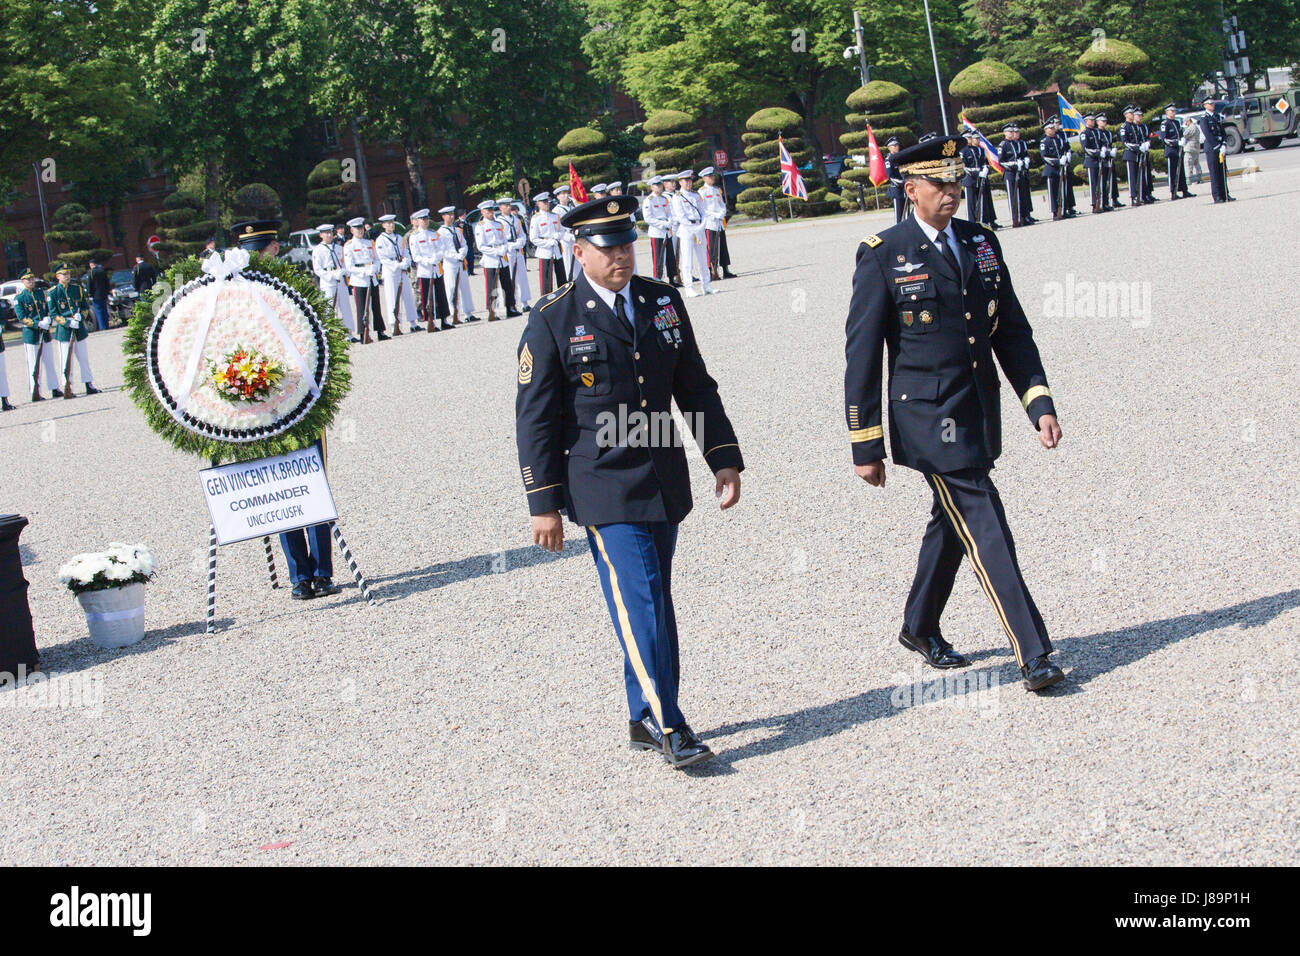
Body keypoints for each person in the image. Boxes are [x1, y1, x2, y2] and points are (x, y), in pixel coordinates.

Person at [515, 195, 744, 767]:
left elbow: (694, 384)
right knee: (642, 600)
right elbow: (535, 417)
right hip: (601, 483)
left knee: (652, 600)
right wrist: (541, 502)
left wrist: (723, 456)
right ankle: (671, 724)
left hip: (662, 475)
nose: (621, 256)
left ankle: (641, 712)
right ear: (578, 252)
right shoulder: (553, 317)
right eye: (607, 247)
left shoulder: (661, 301)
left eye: (626, 244)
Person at [843, 133, 1065, 692]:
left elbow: (1011, 331)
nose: (952, 192)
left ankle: (918, 625)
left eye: (956, 181)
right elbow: (862, 353)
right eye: (939, 183)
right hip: (926, 415)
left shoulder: (980, 242)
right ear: (910, 188)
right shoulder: (882, 253)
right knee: (985, 519)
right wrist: (864, 444)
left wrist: (1037, 401)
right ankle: (1033, 652)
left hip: (976, 407)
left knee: (954, 521)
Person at [46, 264, 99, 398]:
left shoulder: (77, 289)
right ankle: (67, 386)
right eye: (64, 274)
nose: (67, 276)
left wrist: (81, 316)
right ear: (58, 276)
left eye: (68, 273)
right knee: (66, 360)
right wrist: (68, 322)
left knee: (84, 358)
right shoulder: (53, 292)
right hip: (64, 331)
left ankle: (88, 384)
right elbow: (53, 314)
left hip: (79, 330)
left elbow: (85, 307)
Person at [14, 269, 59, 401]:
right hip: (31, 335)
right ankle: (35, 390)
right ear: (22, 281)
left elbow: (48, 309)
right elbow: (22, 318)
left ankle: (54, 388)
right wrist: (37, 324)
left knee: (49, 362)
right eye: (28, 279)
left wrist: (48, 319)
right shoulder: (20, 298)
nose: (31, 281)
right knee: (33, 364)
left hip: (44, 334)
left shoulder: (41, 294)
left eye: (32, 278)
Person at [311, 224, 359, 343]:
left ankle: (349, 333)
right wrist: (331, 275)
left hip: (340, 280)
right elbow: (317, 269)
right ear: (321, 235)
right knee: (330, 308)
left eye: (330, 232)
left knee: (346, 307)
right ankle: (332, 335)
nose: (329, 235)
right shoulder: (318, 250)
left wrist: (343, 271)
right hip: (328, 281)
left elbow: (345, 263)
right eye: (326, 233)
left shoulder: (338, 247)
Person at [670, 170, 714, 297]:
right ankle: (689, 287)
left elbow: (703, 211)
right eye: (685, 180)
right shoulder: (677, 197)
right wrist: (693, 228)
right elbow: (680, 216)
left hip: (698, 227)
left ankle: (706, 285)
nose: (688, 183)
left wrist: (702, 225)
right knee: (687, 260)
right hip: (686, 230)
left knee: (703, 258)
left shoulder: (696, 196)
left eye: (690, 180)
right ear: (680, 182)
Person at [473, 200, 519, 321]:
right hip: (491, 259)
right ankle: (493, 310)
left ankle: (510, 307)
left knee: (507, 285)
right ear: (482, 212)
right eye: (488, 211)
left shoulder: (499, 224)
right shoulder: (480, 226)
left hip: (502, 259)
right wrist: (495, 251)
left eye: (492, 210)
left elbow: (504, 240)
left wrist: (503, 248)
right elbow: (481, 246)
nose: (491, 213)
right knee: (492, 287)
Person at [343, 217, 386, 342]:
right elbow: (349, 266)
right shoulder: (349, 246)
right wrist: (364, 271)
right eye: (357, 229)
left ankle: (380, 331)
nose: (360, 231)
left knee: (376, 306)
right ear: (351, 230)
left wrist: (375, 268)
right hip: (359, 280)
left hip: (372, 277)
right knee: (362, 308)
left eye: (361, 228)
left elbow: (377, 259)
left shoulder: (369, 243)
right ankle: (363, 333)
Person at [407, 209, 450, 332]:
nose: (425, 222)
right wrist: (428, 260)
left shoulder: (433, 234)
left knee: (441, 295)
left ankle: (444, 320)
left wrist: (436, 258)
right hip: (425, 271)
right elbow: (415, 256)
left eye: (426, 219)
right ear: (417, 221)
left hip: (436, 269)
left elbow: (441, 248)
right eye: (422, 219)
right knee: (428, 297)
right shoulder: (414, 236)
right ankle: (432, 321)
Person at [375, 214, 417, 334]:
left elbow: (406, 252)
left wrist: (406, 262)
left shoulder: (399, 238)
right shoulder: (380, 240)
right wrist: (396, 266)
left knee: (408, 296)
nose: (391, 225)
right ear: (383, 225)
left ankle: (413, 322)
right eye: (388, 223)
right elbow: (383, 258)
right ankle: (394, 324)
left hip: (402, 269)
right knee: (392, 297)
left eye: (392, 222)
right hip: (390, 271)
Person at [437, 206, 475, 323]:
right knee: (452, 288)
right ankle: (454, 314)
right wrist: (455, 256)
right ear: (443, 217)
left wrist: (463, 252)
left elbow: (464, 243)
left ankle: (468, 313)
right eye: (449, 215)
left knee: (465, 287)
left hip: (460, 262)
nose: (452, 217)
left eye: (452, 214)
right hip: (450, 264)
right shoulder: (440, 233)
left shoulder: (457, 230)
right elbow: (442, 250)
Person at [1197, 95, 1234, 203]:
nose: (1212, 105)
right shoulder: (1204, 118)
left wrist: (1223, 144)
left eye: (1213, 103)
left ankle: (1225, 194)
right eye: (1210, 104)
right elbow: (1207, 133)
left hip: (1220, 147)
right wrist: (1217, 146)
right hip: (1212, 148)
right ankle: (1217, 196)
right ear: (1205, 105)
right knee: (1214, 173)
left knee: (1222, 171)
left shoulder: (1217, 116)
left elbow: (1222, 131)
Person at [529, 192, 566, 296]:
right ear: (538, 204)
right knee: (546, 280)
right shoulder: (536, 218)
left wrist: (557, 236)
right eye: (543, 202)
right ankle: (546, 301)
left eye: (547, 202)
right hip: (545, 251)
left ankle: (563, 299)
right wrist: (547, 242)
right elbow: (533, 238)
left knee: (562, 278)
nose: (546, 204)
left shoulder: (555, 216)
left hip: (557, 250)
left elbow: (562, 231)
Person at [498, 198, 532, 311]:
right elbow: (500, 239)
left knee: (522, 277)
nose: (508, 207)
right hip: (508, 252)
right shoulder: (499, 222)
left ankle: (524, 302)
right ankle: (513, 303)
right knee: (511, 277)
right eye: (505, 205)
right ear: (500, 208)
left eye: (509, 205)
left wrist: (520, 242)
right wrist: (509, 245)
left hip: (518, 250)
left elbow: (522, 234)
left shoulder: (516, 219)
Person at [1160, 104, 1193, 199]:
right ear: (1167, 112)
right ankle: (1173, 191)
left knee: (1181, 171)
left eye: (1174, 111)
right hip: (1171, 150)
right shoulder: (1164, 123)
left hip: (1179, 150)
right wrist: (1176, 142)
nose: (1173, 113)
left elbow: (1180, 134)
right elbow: (1164, 139)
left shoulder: (1176, 122)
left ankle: (1184, 190)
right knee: (1173, 172)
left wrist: (1183, 140)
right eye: (1171, 111)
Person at [1039, 117, 1067, 220]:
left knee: (1061, 190)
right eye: (1050, 128)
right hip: (1051, 169)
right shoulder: (1044, 141)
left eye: (1053, 127)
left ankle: (1063, 210)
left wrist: (1065, 156)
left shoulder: (1058, 139)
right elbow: (1045, 157)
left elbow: (1063, 150)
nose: (1053, 129)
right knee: (1052, 192)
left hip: (1060, 168)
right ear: (1046, 130)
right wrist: (1058, 161)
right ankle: (1055, 212)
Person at [997, 124, 1024, 227]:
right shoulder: (1003, 145)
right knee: (1012, 197)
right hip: (1009, 173)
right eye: (1010, 132)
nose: (1012, 133)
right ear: (1005, 133)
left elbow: (1019, 155)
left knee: (1019, 195)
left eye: (1013, 132)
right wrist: (1013, 164)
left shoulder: (1015, 144)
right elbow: (1001, 161)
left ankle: (1020, 217)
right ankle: (1014, 219)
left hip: (1017, 172)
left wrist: (1021, 161)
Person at [552, 184, 578, 282]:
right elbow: (557, 230)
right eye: (563, 194)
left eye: (567, 193)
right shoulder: (556, 211)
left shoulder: (572, 208)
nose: (566, 195)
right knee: (568, 266)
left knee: (578, 265)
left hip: (575, 238)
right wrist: (570, 237)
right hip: (566, 241)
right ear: (558, 197)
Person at [1081, 114, 1105, 213]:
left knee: (1100, 183)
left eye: (1093, 120)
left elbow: (1101, 142)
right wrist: (1098, 152)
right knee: (1093, 183)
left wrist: (1103, 149)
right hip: (1091, 161)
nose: (1093, 121)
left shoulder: (1096, 132)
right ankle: (1094, 204)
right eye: (1091, 120)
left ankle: (1102, 203)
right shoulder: (1084, 133)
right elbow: (1086, 148)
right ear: (1086, 121)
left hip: (1099, 160)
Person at [1097, 113, 1123, 208]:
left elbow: (1110, 144)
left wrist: (1113, 151)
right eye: (1102, 121)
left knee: (1112, 179)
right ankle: (1105, 201)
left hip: (1110, 159)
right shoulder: (1097, 133)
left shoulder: (1108, 133)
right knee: (1104, 181)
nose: (1104, 123)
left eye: (1105, 121)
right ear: (1098, 122)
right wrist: (1108, 152)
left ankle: (1114, 198)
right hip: (1103, 159)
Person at [884, 137, 906, 224]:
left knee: (906, 213)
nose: (897, 147)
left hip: (904, 189)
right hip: (897, 190)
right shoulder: (888, 161)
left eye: (897, 145)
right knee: (899, 216)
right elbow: (891, 177)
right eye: (894, 145)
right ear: (889, 148)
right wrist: (903, 182)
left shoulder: (899, 158)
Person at [87, 259, 111, 331]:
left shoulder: (91, 272)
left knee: (98, 311)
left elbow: (89, 285)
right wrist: (107, 292)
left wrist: (89, 294)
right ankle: (106, 325)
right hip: (103, 293)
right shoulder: (102, 271)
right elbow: (107, 282)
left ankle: (102, 326)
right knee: (104, 310)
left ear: (91, 265)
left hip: (96, 295)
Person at [1182, 115, 1205, 186]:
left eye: (1186, 123)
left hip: (1190, 148)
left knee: (1188, 164)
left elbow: (1184, 135)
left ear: (1188, 121)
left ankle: (1188, 180)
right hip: (1196, 148)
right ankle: (1199, 177)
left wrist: (1184, 130)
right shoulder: (1196, 127)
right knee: (1197, 164)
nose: (1186, 125)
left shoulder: (1191, 128)